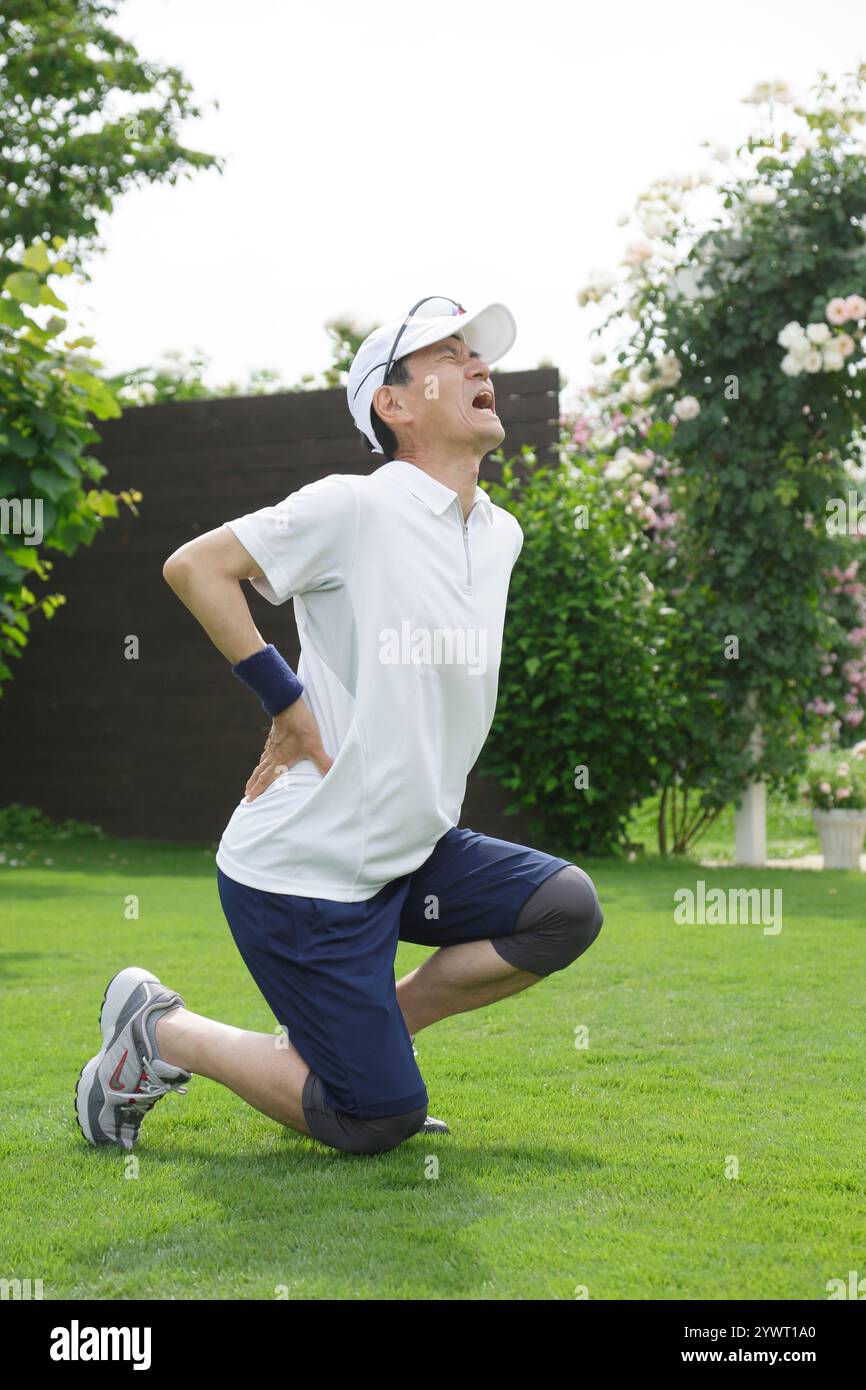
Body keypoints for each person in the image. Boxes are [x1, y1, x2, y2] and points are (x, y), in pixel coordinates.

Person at [75, 296, 603, 1156]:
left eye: (481, 355)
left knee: (561, 909)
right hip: (303, 876)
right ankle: (162, 1030)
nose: (480, 368)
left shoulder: (497, 533)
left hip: (410, 850)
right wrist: (286, 702)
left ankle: (361, 1042)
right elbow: (198, 568)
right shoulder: (355, 507)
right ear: (391, 404)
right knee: (376, 1120)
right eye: (450, 355)